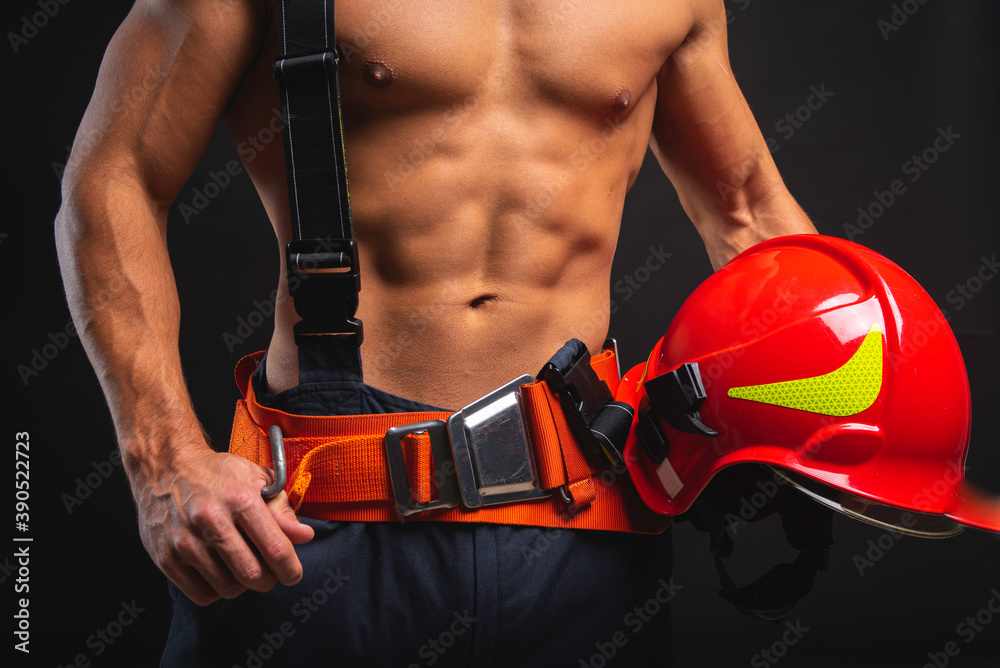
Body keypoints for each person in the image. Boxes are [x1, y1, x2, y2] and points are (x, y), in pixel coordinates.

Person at [54, 0, 817, 664]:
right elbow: (115, 176)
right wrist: (162, 459)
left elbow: (748, 210)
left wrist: (829, 418)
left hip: (585, 523)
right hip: (314, 533)